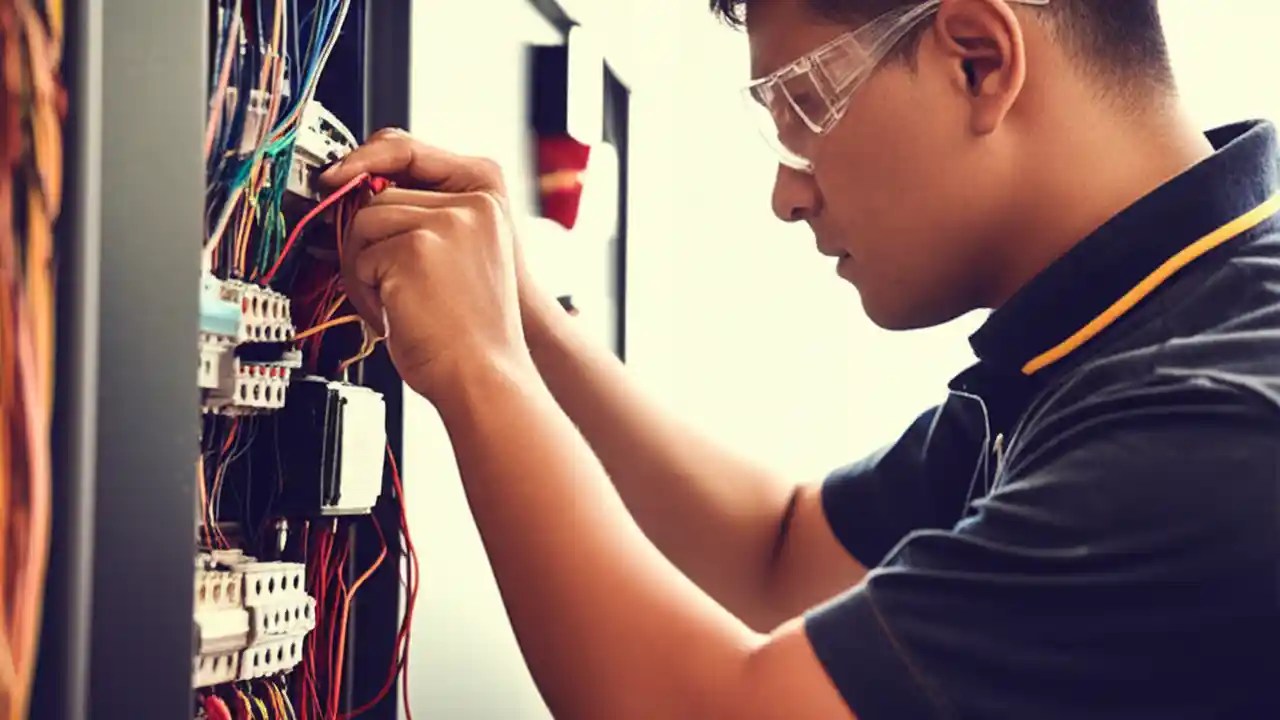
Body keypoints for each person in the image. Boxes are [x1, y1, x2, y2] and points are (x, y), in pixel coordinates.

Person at [321, 0, 1280, 716]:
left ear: (978, 62)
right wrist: (527, 317)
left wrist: (482, 372)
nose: (788, 196)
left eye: (805, 120)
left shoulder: (1203, 421)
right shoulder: (1111, 331)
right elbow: (781, 551)